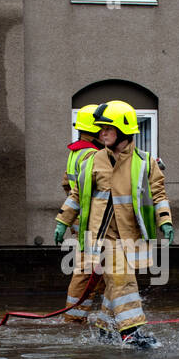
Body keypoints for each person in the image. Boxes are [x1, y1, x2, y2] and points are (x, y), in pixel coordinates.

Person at [54, 100, 173, 348]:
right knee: (120, 279)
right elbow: (76, 195)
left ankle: (106, 328)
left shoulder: (144, 162)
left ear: (123, 130)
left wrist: (165, 221)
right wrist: (62, 221)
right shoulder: (93, 161)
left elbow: (158, 194)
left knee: (113, 284)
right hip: (99, 235)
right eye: (100, 129)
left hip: (129, 234)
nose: (102, 133)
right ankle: (131, 331)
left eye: (107, 129)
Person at [60, 105, 103, 326]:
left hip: (80, 220)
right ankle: (74, 319)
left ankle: (111, 315)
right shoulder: (93, 155)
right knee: (88, 270)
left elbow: (67, 184)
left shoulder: (75, 153)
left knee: (102, 269)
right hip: (92, 222)